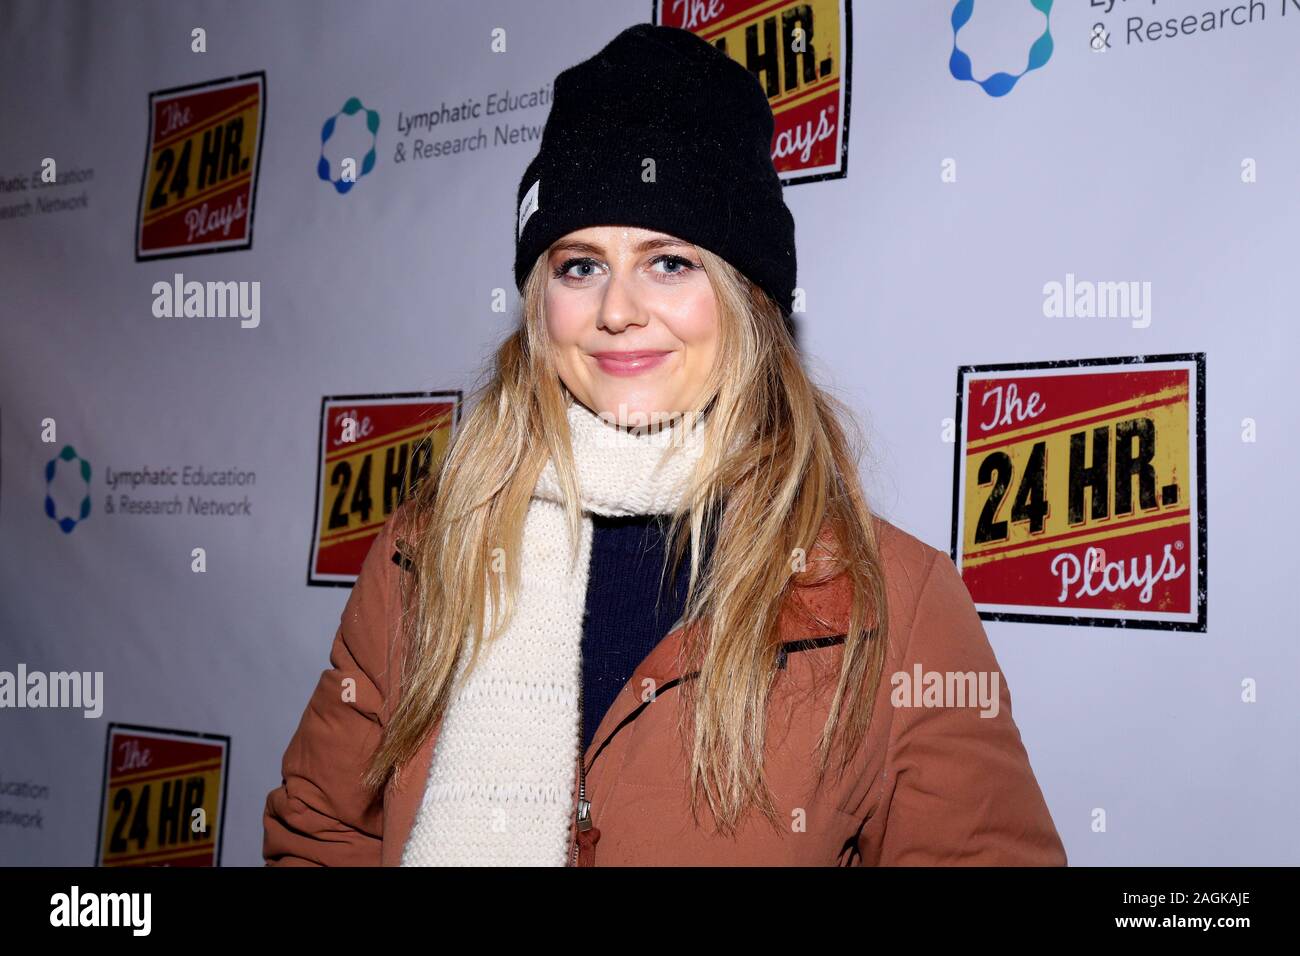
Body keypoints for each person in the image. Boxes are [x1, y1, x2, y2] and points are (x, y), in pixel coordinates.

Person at [263, 22, 1066, 867]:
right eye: (579, 265)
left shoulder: (891, 601)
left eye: (670, 262)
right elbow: (321, 834)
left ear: (748, 298)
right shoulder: (428, 551)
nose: (617, 309)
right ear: (541, 303)